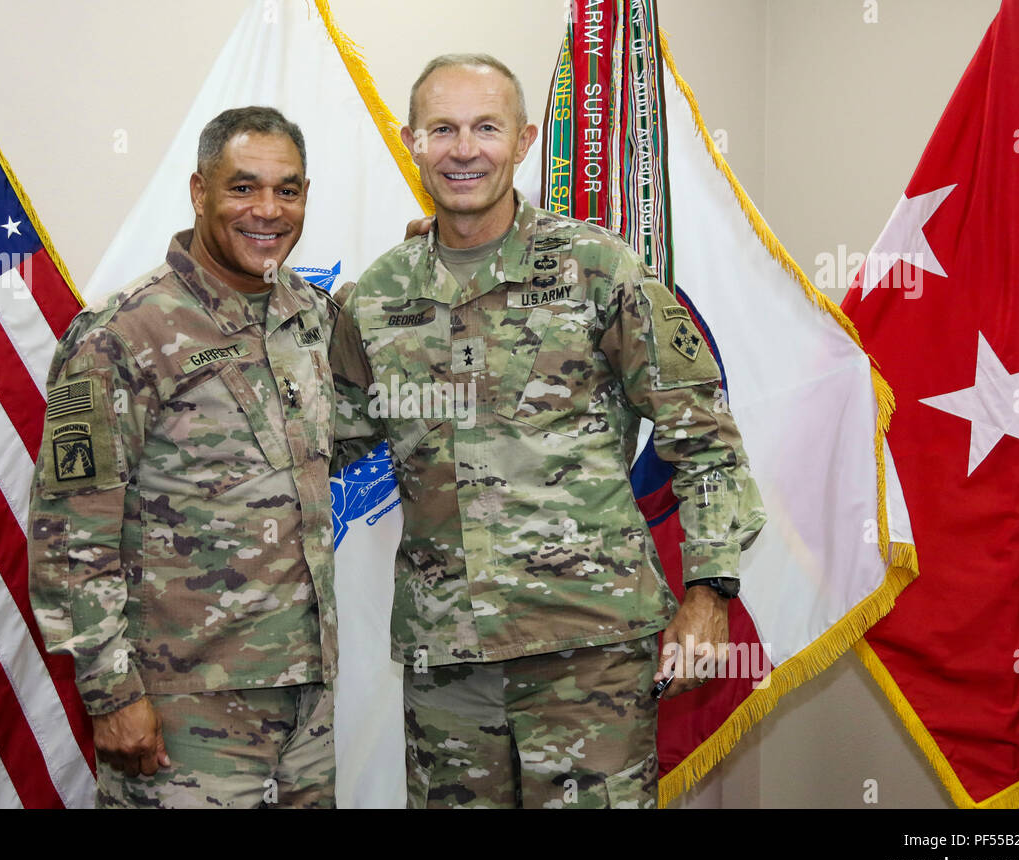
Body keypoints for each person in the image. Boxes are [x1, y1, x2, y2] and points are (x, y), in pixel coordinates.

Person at [327, 55, 767, 809]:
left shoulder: (598, 269)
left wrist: (709, 590)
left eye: (486, 128)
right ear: (413, 142)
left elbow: (703, 433)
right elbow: (324, 439)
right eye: (443, 129)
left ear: (525, 140)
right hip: (449, 662)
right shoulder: (374, 298)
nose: (464, 149)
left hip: (588, 651)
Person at [28, 106, 338, 808]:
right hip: (181, 707)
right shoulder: (120, 333)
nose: (267, 210)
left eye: (287, 190)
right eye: (243, 188)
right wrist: (110, 694)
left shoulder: (310, 316)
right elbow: (72, 530)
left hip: (304, 700)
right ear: (199, 192)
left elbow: (331, 444)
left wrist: (428, 258)